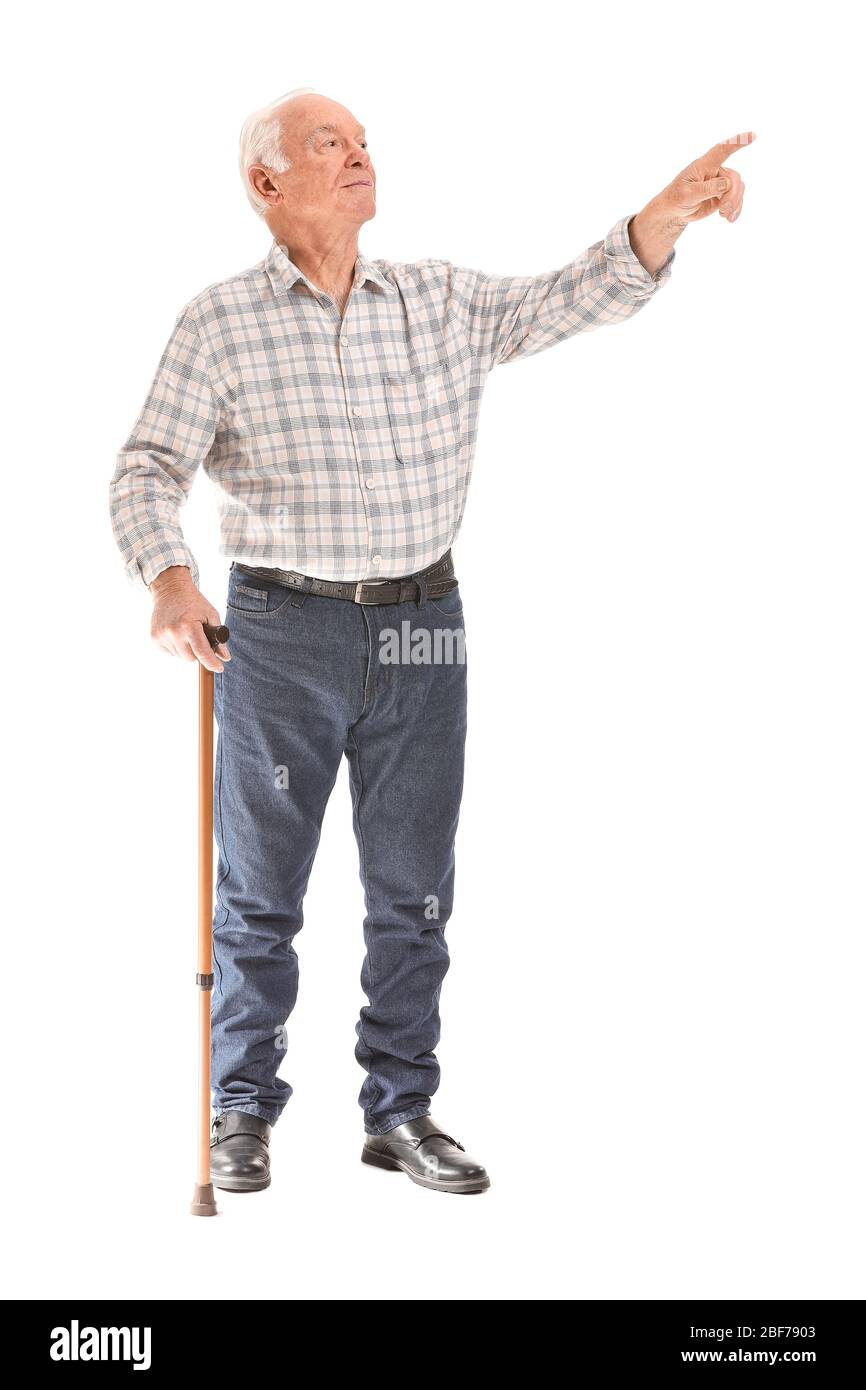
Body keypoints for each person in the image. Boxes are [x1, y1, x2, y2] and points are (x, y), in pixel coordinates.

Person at [109, 86, 754, 1195]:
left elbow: (567, 297)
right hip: (279, 631)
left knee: (413, 887)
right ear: (266, 183)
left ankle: (398, 1109)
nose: (360, 156)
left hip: (423, 626)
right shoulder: (217, 322)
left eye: (363, 142)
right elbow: (146, 467)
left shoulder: (437, 298)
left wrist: (657, 220)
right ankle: (239, 1109)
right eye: (330, 145)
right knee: (261, 889)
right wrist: (170, 578)